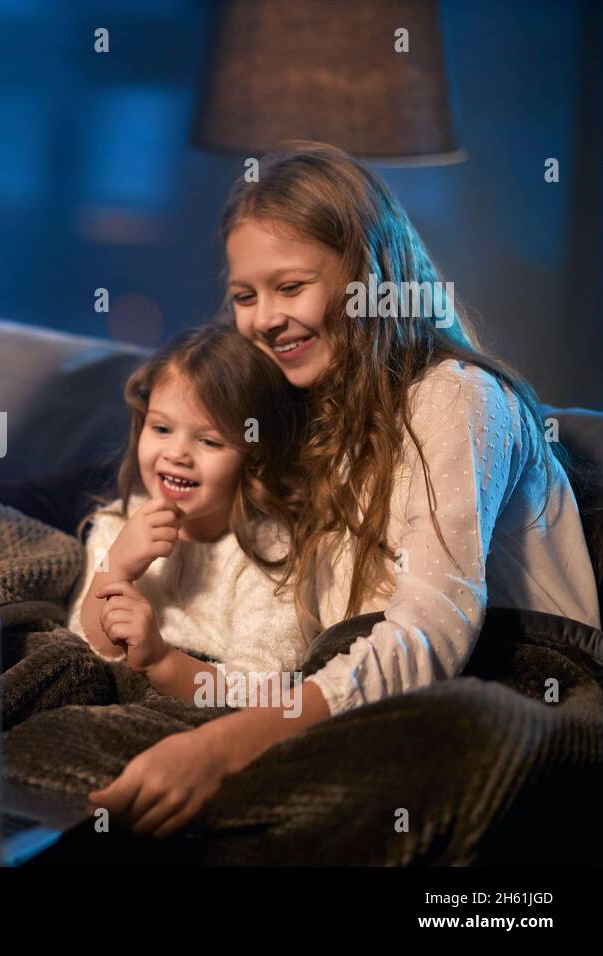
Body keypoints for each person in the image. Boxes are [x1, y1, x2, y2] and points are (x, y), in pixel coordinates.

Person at [90, 141, 601, 838]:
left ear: (367, 274)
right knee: (98, 726)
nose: (264, 317)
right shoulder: (309, 417)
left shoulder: (458, 399)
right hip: (356, 683)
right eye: (245, 295)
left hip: (513, 683)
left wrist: (222, 747)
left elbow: (430, 632)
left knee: (442, 748)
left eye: (291, 287)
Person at [66, 323, 308, 708]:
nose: (177, 453)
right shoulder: (118, 523)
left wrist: (162, 661)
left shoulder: (269, 552)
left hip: (198, 706)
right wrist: (116, 568)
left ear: (255, 457)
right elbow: (83, 640)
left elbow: (261, 687)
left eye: (209, 441)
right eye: (161, 428)